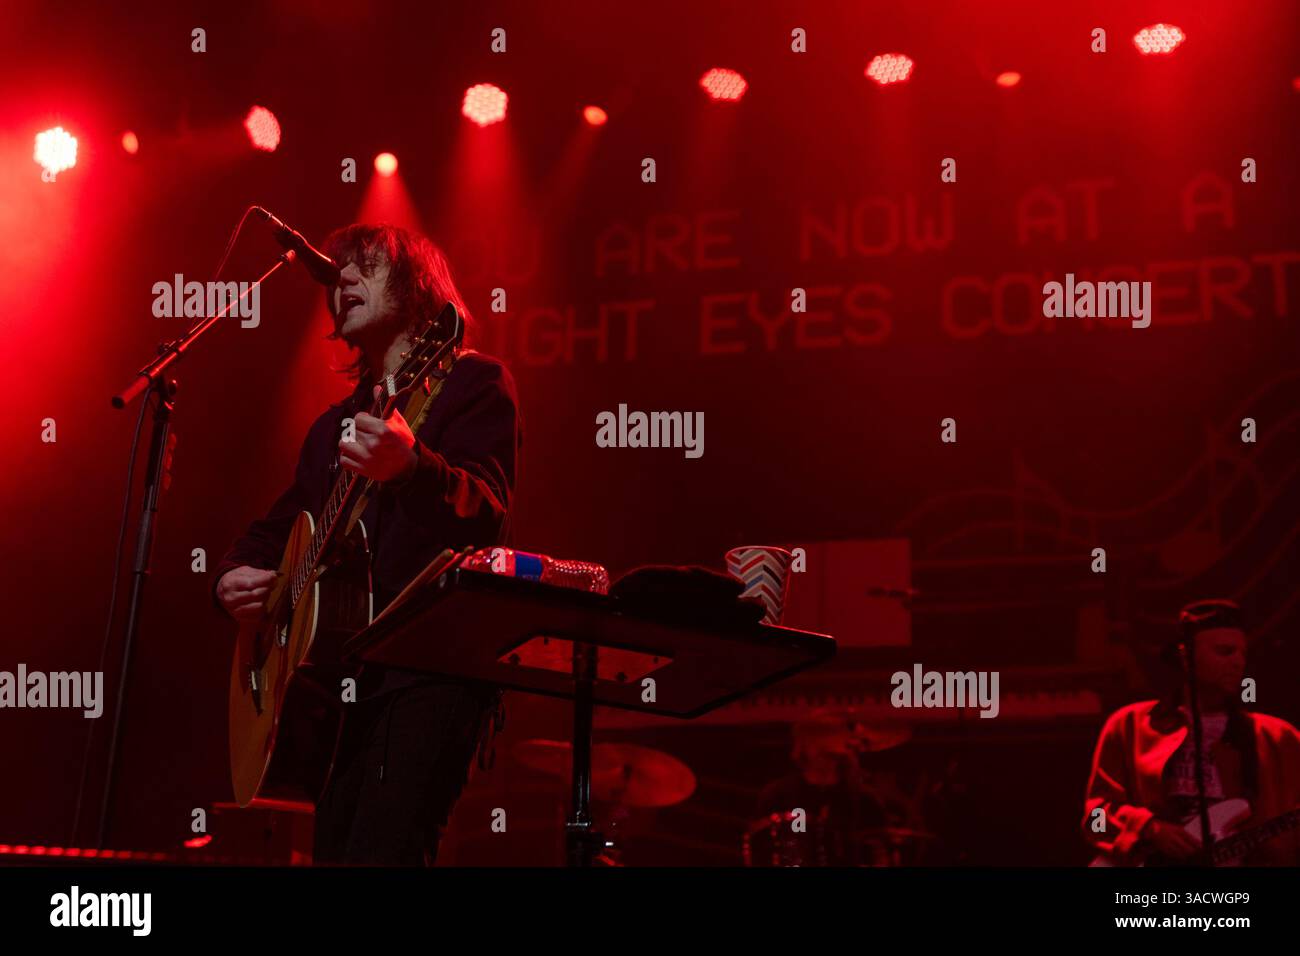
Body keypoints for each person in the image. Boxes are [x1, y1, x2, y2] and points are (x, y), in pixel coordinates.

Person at [214, 223, 522, 865]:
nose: (342, 280)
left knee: (387, 853)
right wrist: (232, 578)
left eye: (365, 266)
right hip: (338, 692)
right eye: (335, 274)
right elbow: (272, 532)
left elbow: (486, 516)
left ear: (416, 285)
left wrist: (412, 470)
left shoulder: (471, 384)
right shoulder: (332, 428)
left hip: (429, 672)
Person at [1082, 599, 1300, 865]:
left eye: (1243, 654)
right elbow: (1096, 817)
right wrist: (1149, 828)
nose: (1237, 662)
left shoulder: (1278, 738)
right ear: (1186, 657)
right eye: (1225, 651)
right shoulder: (1129, 725)